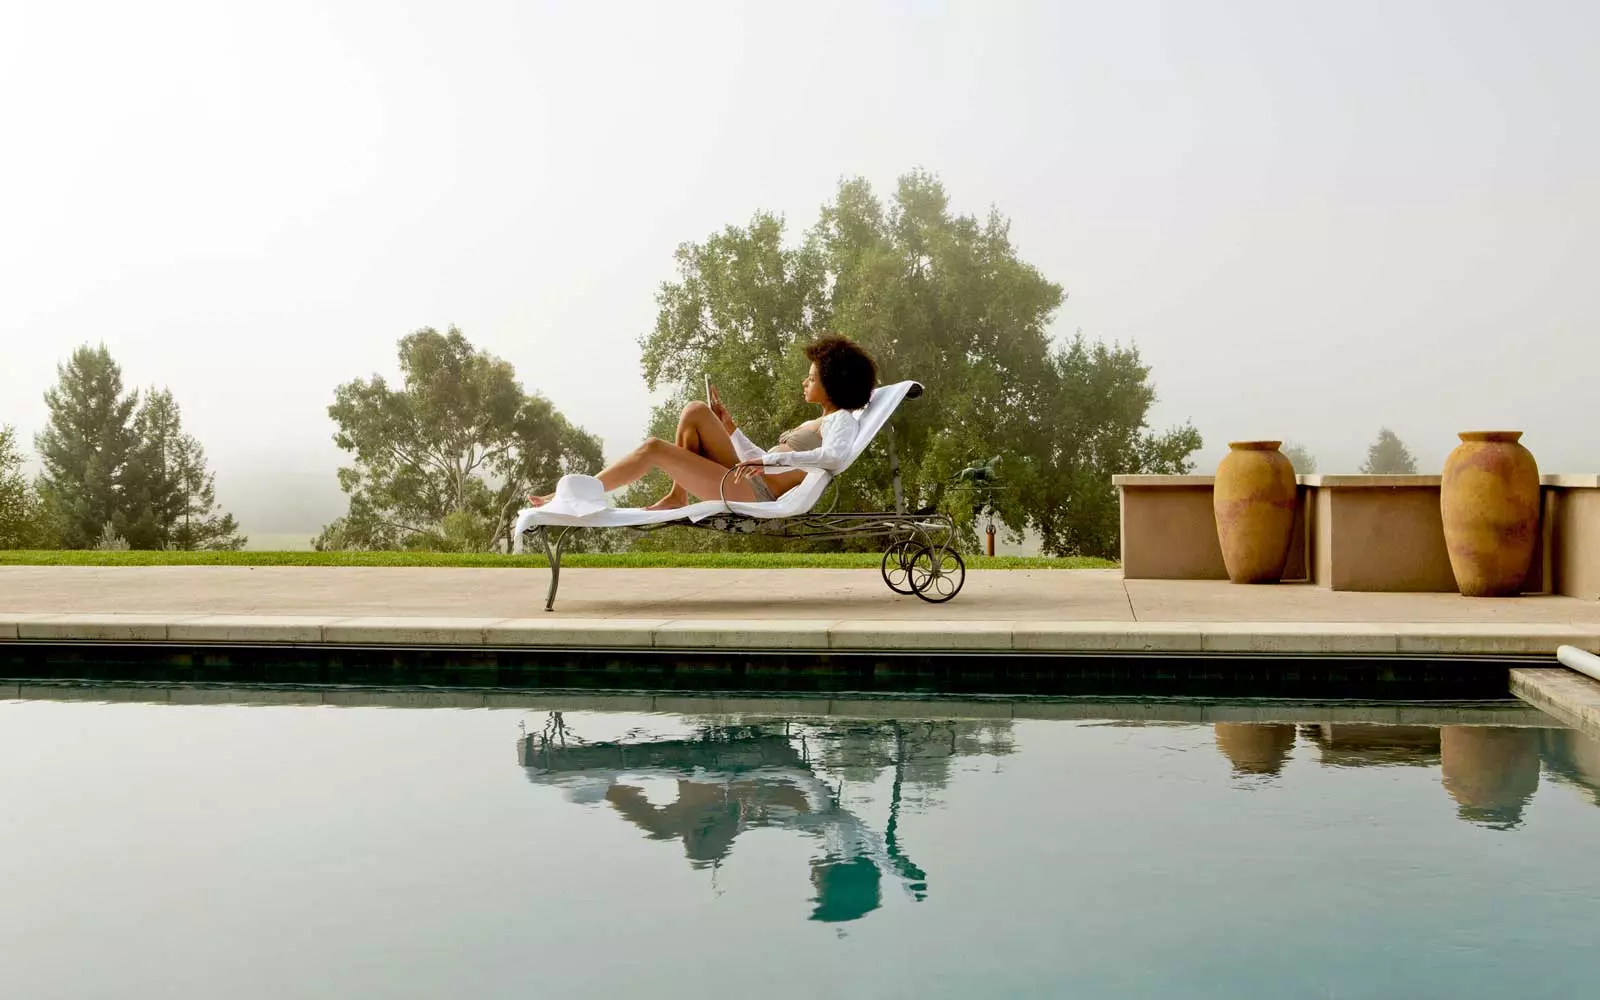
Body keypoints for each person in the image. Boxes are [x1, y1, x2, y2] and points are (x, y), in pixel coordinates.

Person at [527, 334, 879, 509]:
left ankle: (578, 495)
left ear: (833, 386)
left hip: (756, 493)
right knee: (697, 410)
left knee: (653, 448)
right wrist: (730, 427)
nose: (805, 382)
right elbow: (760, 457)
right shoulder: (816, 422)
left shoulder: (841, 422)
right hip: (748, 476)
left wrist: (772, 459)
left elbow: (833, 458)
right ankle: (677, 495)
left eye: (812, 378)